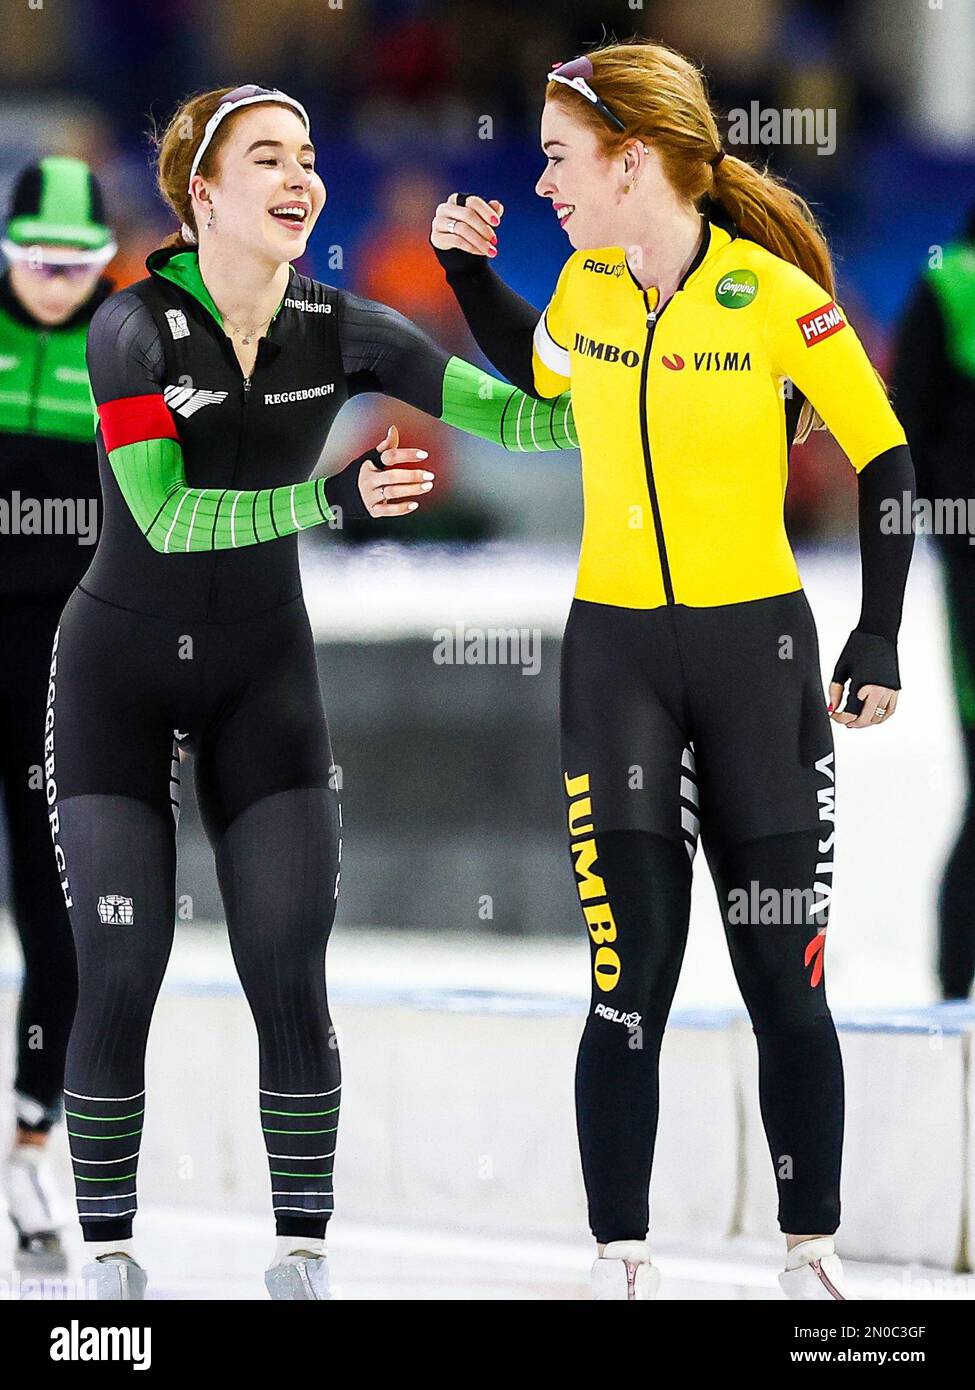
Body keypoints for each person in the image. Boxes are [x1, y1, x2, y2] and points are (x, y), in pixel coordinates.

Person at [52, 84, 577, 1301]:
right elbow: (167, 515)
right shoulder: (131, 330)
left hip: (264, 683)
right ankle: (106, 1265)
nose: (302, 179)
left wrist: (640, 379)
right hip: (115, 682)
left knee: (288, 969)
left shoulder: (347, 327)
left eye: (307, 157)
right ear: (204, 195)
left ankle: (303, 1260)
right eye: (268, 160)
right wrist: (329, 505)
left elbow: (528, 420)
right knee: (119, 969)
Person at [431, 41, 915, 1300]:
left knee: (783, 979)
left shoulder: (774, 299)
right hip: (618, 662)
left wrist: (879, 633)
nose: (542, 181)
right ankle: (619, 1261)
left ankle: (812, 1256)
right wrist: (458, 271)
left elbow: (889, 459)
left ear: (633, 159)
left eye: (557, 157)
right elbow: (531, 357)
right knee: (626, 984)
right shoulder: (587, 291)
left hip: (759, 660)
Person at [0, 157, 116, 1270]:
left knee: (62, 921)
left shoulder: (125, 349)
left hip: (60, 686)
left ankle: (31, 1144)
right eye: (37, 259)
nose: (54, 281)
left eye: (76, 263)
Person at [892, 206, 975, 1001]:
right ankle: (953, 994)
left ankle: (953, 994)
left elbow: (906, 432)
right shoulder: (949, 281)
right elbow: (905, 432)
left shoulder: (941, 280)